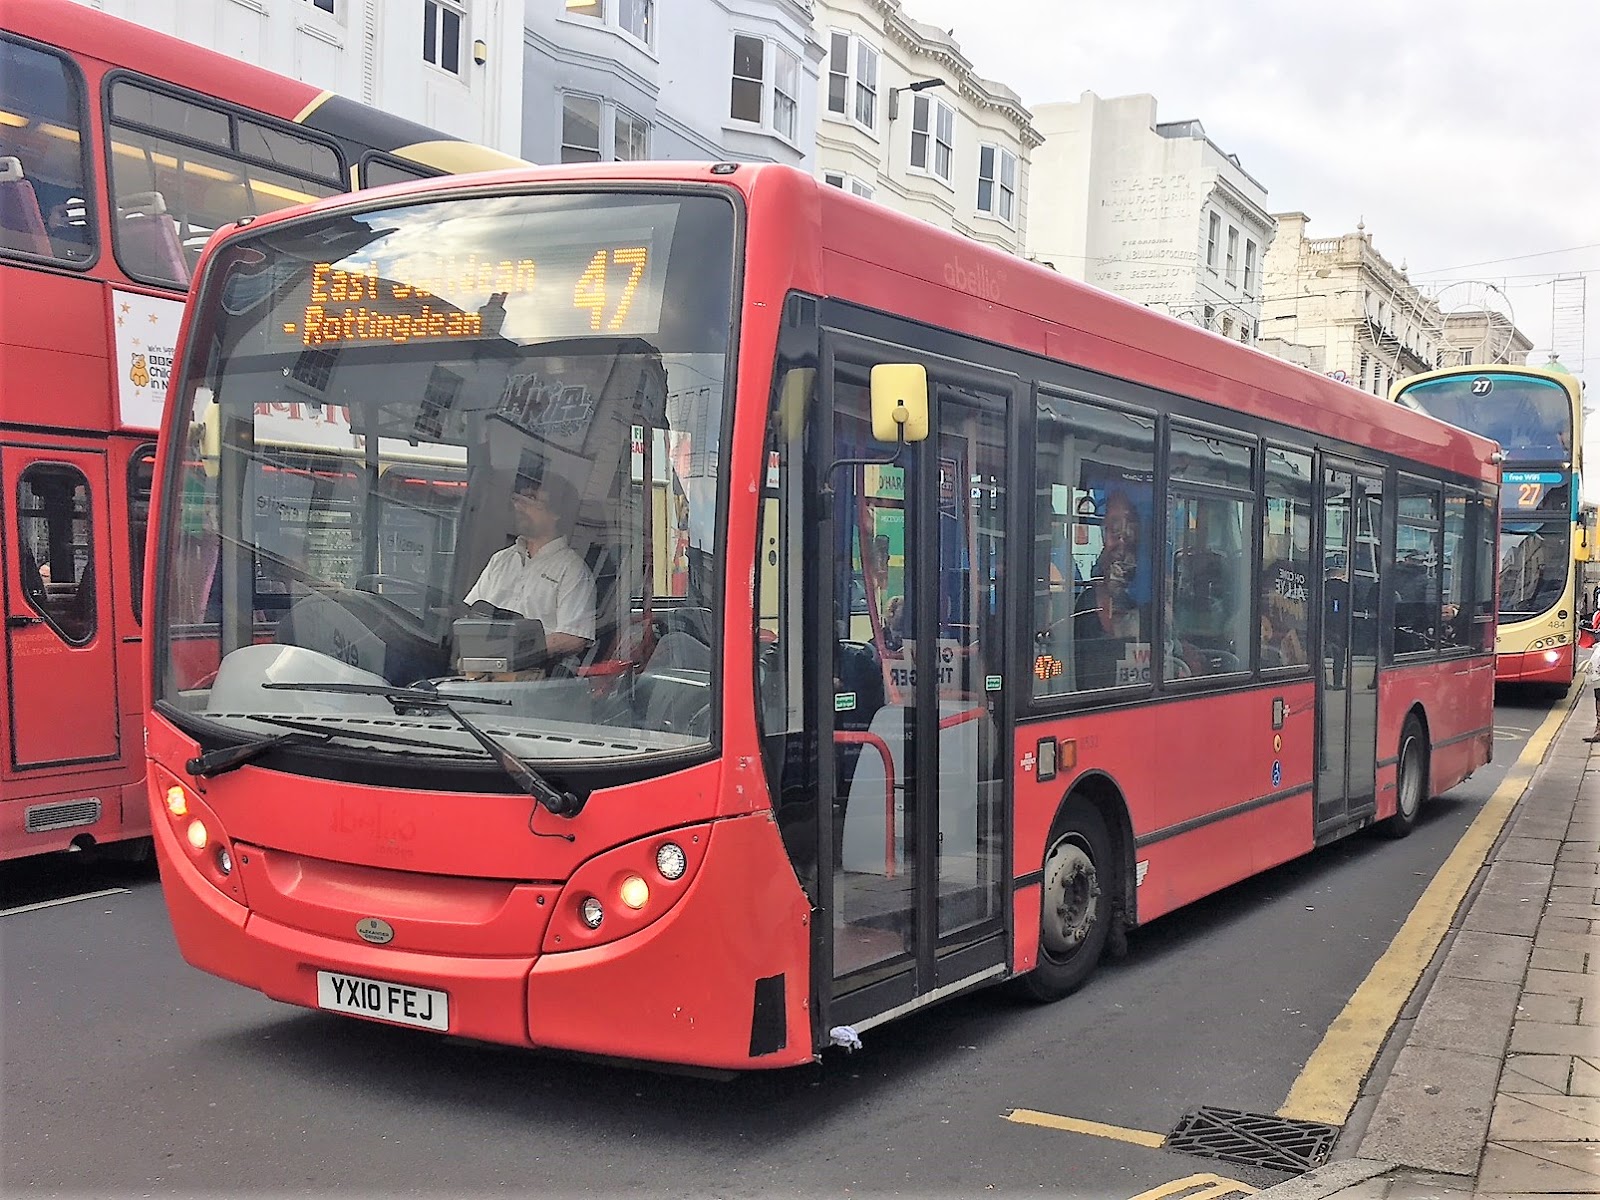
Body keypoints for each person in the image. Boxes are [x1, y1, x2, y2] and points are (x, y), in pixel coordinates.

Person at [463, 470, 596, 661]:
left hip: (537, 670)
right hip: (483, 665)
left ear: (556, 512)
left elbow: (573, 637)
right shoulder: (501, 560)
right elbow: (473, 612)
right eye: (517, 500)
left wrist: (515, 652)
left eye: (531, 500)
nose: (519, 507)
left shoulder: (572, 570)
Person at [1073, 489, 1150, 688]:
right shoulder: (1086, 605)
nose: (1122, 541)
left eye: (1130, 530)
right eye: (1115, 529)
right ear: (1104, 534)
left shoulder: (1153, 602)